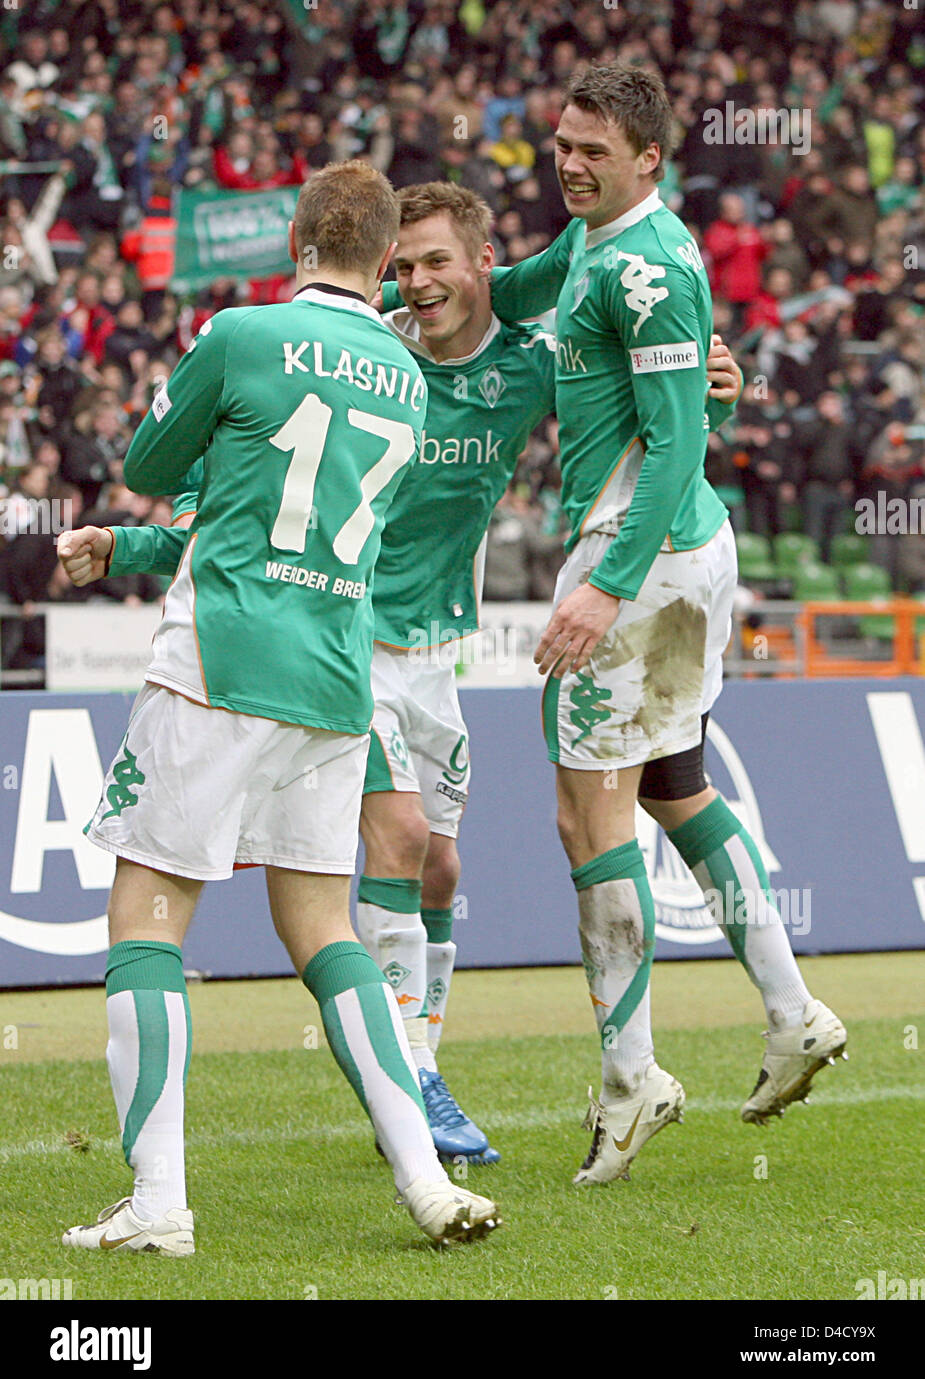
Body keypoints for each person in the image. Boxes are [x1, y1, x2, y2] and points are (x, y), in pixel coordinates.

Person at [58, 178, 744, 1173]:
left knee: (440, 867)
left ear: (482, 270)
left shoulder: (529, 364)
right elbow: (229, 511)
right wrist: (127, 544)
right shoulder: (363, 357)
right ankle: (413, 1077)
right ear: (383, 265)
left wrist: (708, 388)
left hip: (436, 659)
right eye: (405, 263)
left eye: (438, 263)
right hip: (348, 645)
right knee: (399, 834)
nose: (419, 283)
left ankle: (414, 1064)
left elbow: (634, 404)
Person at [55, 161, 500, 1253]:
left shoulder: (240, 335)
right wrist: (138, 542)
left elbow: (153, 461)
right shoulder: (406, 372)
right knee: (324, 928)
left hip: (219, 660)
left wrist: (154, 499)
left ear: (297, 238)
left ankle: (159, 1203)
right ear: (385, 258)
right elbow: (266, 511)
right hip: (335, 678)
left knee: (148, 917)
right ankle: (425, 1180)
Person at [485, 65, 847, 1184]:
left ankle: (631, 1080)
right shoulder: (598, 242)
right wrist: (410, 297)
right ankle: (792, 1014)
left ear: (650, 159)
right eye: (561, 142)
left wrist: (602, 586)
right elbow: (517, 293)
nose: (569, 162)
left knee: (585, 819)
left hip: (638, 557)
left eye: (593, 150)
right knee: (668, 785)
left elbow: (679, 441)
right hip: (673, 551)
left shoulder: (644, 265)